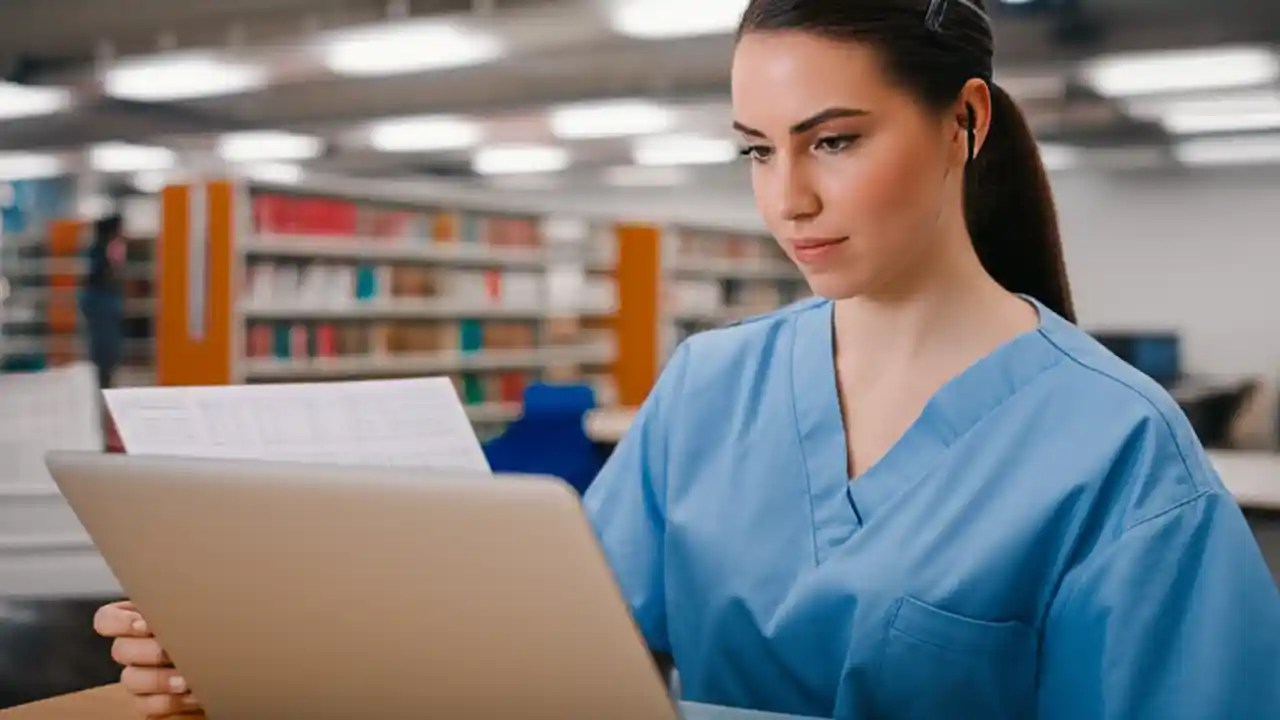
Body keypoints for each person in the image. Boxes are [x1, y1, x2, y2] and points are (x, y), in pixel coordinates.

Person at [94, 0, 1279, 717]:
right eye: (754, 151)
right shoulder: (713, 385)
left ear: (962, 122)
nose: (788, 199)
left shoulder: (1115, 451)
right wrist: (253, 654)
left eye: (834, 141)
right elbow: (543, 667)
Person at [79, 213, 126, 391]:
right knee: (105, 348)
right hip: (103, 302)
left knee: (102, 347)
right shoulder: (105, 249)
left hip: (100, 302)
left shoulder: (95, 249)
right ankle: (103, 382)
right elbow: (109, 275)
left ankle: (103, 381)